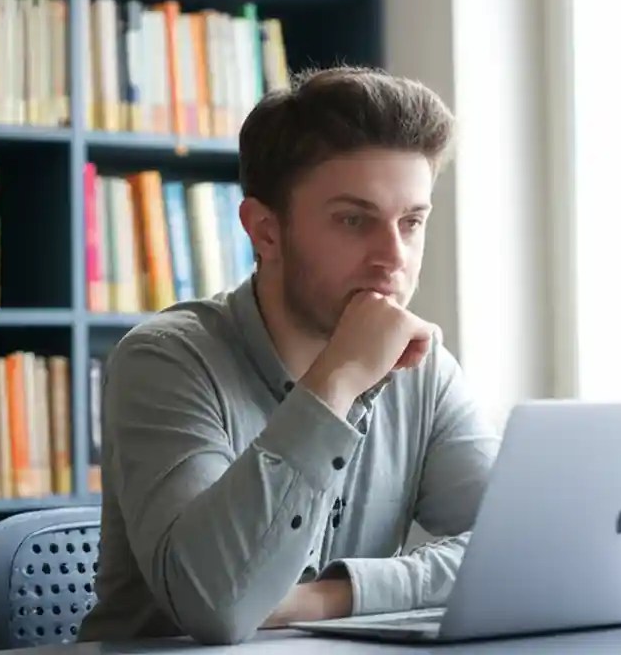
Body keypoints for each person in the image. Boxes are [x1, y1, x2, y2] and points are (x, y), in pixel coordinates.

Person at [78, 66, 501, 646]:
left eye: (412, 222)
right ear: (265, 231)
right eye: (354, 221)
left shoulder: (424, 371)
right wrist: (338, 379)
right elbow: (217, 607)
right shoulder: (165, 360)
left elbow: (518, 550)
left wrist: (330, 596)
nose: (392, 256)